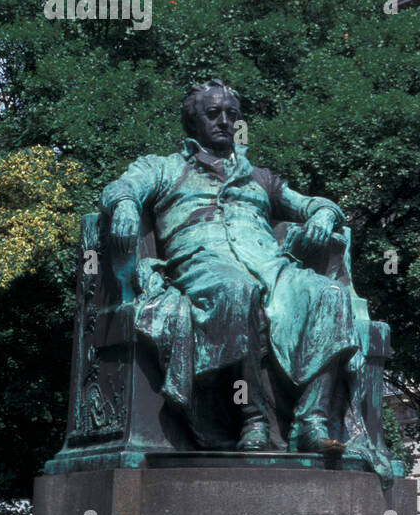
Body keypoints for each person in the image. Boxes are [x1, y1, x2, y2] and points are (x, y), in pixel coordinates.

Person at [100, 79, 359, 453]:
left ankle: (311, 421)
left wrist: (323, 214)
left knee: (330, 295)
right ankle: (251, 418)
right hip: (202, 263)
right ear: (193, 122)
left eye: (232, 115)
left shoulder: (260, 178)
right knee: (238, 291)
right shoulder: (164, 168)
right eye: (213, 114)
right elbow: (120, 187)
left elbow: (310, 204)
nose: (224, 121)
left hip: (269, 266)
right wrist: (124, 204)